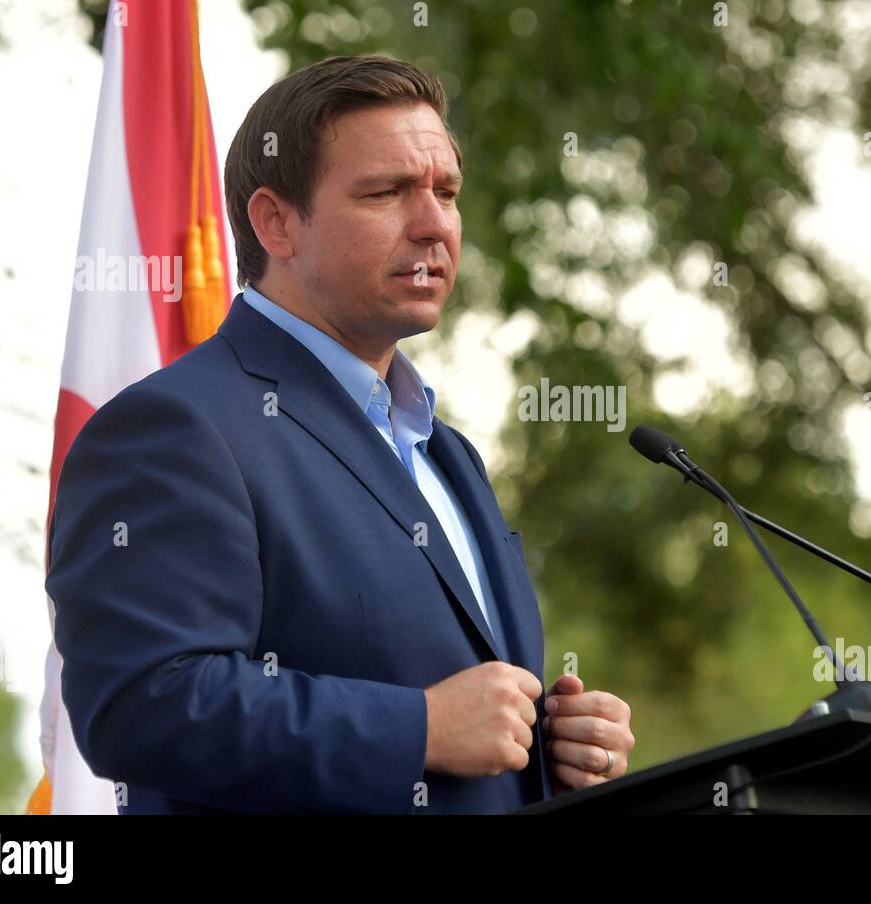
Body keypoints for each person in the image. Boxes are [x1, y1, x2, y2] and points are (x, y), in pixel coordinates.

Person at [47, 54, 634, 814]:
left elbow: (473, 720)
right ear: (276, 222)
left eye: (446, 193)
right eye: (387, 192)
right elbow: (141, 705)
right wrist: (415, 728)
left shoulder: (449, 453)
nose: (434, 224)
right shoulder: (172, 429)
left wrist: (555, 752)